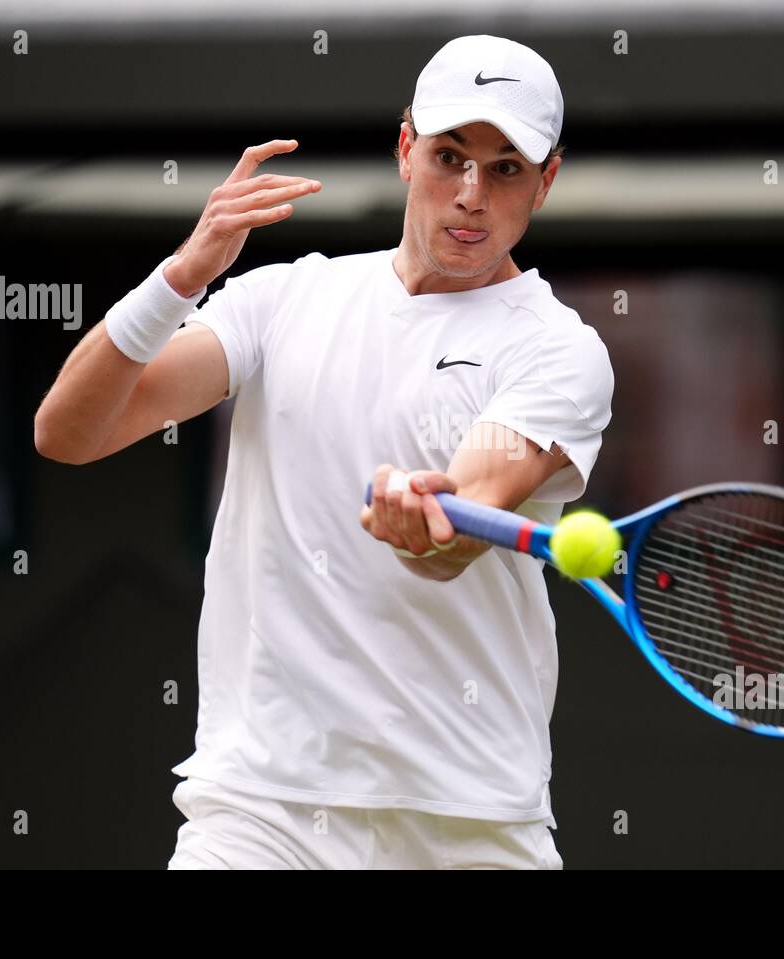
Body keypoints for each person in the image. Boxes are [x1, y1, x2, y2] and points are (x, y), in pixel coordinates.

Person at [34, 34, 614, 869]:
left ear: (547, 180)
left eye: (507, 169)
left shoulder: (560, 350)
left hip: (465, 818)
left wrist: (431, 519)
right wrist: (179, 277)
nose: (471, 194)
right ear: (407, 148)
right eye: (450, 156)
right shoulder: (282, 299)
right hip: (258, 810)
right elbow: (70, 431)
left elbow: (466, 510)